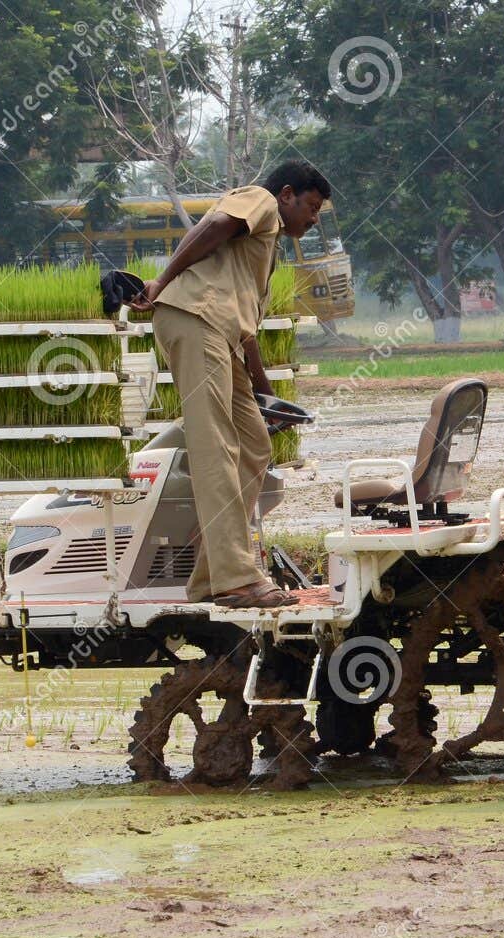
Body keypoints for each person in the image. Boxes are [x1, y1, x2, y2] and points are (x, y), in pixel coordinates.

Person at [134, 160, 329, 609]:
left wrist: (265, 394)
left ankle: (210, 575)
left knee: (254, 444)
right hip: (195, 320)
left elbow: (247, 330)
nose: (314, 218)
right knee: (216, 447)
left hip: (219, 333)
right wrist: (162, 281)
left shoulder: (263, 248)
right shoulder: (261, 201)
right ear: (287, 194)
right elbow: (215, 225)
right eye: (312, 206)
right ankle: (236, 578)